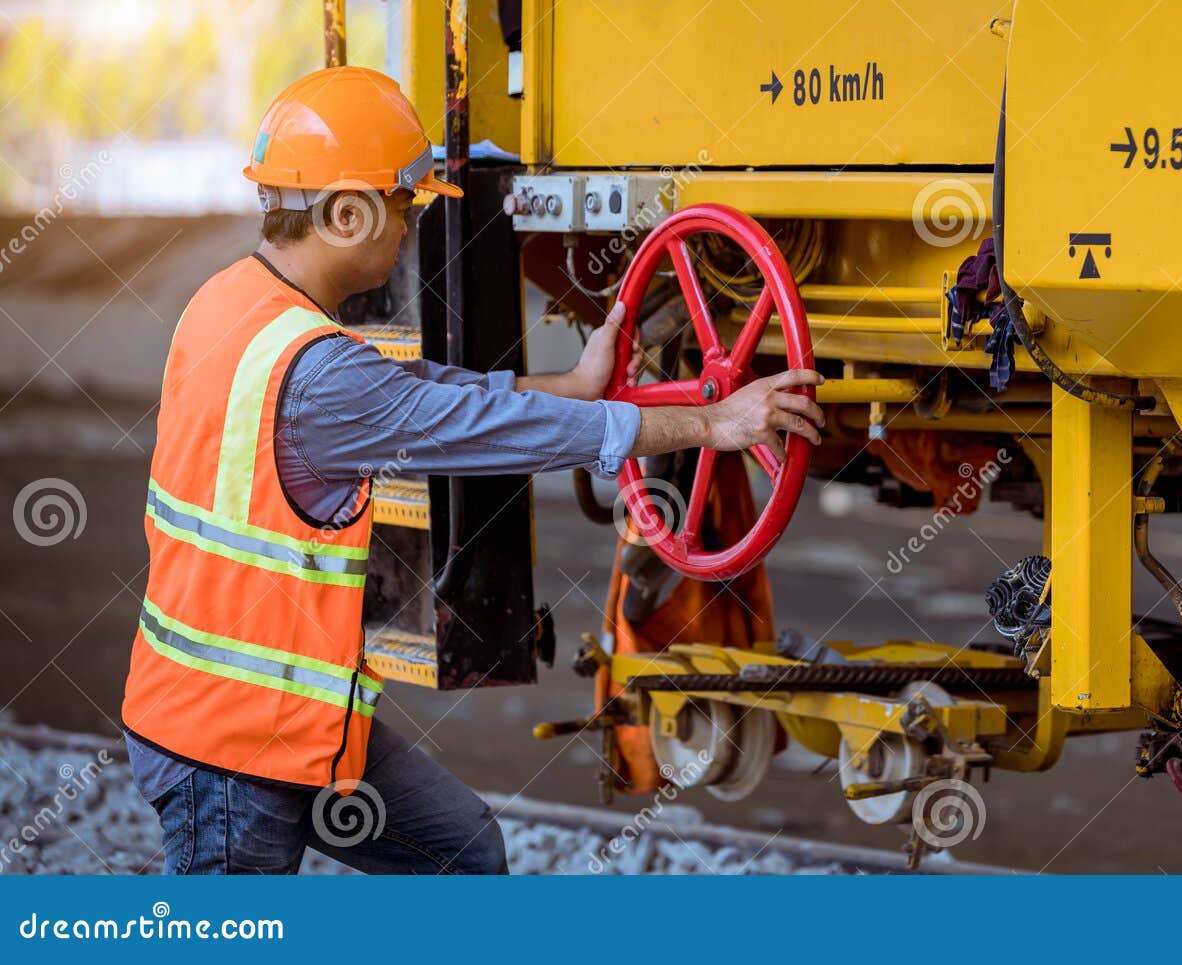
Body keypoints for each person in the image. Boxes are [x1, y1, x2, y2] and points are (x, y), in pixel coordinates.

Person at [120, 66, 823, 874]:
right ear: (346, 213)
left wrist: (574, 384)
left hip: (287, 722)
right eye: (404, 206)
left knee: (464, 852)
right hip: (227, 748)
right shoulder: (320, 378)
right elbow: (489, 429)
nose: (409, 227)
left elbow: (427, 393)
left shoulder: (231, 304)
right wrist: (711, 421)